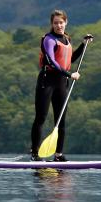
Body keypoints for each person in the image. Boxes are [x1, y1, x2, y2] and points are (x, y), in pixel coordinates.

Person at [29, 9, 92, 161]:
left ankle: (58, 154)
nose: (59, 25)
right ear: (52, 24)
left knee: (61, 120)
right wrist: (70, 74)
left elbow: (70, 59)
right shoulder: (49, 40)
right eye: (56, 23)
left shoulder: (67, 40)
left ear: (66, 22)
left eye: (61, 22)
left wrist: (83, 45)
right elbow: (51, 61)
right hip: (47, 81)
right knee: (41, 117)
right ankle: (35, 153)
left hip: (61, 83)